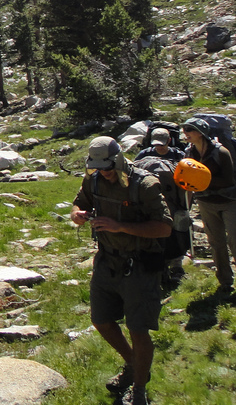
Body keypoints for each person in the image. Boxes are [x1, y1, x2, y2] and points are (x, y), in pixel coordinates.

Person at [71, 136, 173, 405]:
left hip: (139, 264)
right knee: (101, 320)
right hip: (107, 261)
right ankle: (134, 363)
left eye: (107, 167)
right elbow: (79, 204)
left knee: (138, 329)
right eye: (98, 167)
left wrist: (120, 227)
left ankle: (139, 389)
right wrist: (78, 215)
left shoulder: (145, 185)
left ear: (117, 159)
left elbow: (164, 228)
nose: (103, 172)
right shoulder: (92, 181)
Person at [181, 117, 236, 301]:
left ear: (200, 133)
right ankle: (225, 283)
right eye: (185, 131)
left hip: (230, 202)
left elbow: (228, 180)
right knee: (216, 243)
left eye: (189, 131)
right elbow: (188, 183)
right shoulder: (189, 153)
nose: (186, 135)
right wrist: (186, 207)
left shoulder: (222, 152)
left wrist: (202, 181)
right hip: (206, 203)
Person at [133, 127, 189, 287]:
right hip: (152, 201)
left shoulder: (179, 155)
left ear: (169, 141)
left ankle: (177, 266)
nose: (159, 148)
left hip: (175, 200)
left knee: (178, 231)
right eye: (156, 145)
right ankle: (159, 268)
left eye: (162, 145)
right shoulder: (144, 155)